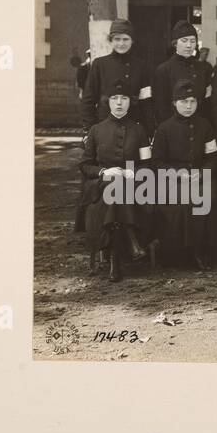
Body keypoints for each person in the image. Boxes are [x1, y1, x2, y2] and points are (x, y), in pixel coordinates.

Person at [77, 77, 154, 282]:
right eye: (115, 98)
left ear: (130, 102)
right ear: (108, 102)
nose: (119, 103)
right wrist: (104, 172)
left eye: (124, 98)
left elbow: (147, 164)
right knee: (114, 187)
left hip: (134, 186)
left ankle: (115, 261)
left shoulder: (139, 130)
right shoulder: (96, 130)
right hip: (101, 186)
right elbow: (85, 165)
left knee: (117, 193)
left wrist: (134, 172)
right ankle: (131, 240)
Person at [151, 78, 217, 271]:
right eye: (184, 102)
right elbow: (157, 162)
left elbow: (213, 157)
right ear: (174, 103)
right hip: (173, 178)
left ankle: (200, 251)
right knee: (179, 203)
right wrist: (177, 175)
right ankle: (176, 253)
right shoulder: (164, 128)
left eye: (193, 102)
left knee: (208, 198)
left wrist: (203, 173)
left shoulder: (205, 126)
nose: (188, 106)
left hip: (200, 176)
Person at [79, 18, 151, 133]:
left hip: (132, 126)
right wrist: (89, 129)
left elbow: (146, 101)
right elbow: (88, 100)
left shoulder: (141, 66)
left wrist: (148, 131)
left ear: (132, 41)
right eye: (117, 39)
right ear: (110, 41)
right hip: (104, 126)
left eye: (125, 39)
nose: (121, 43)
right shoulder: (100, 64)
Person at [151, 20, 213, 130]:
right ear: (175, 43)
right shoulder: (164, 70)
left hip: (199, 128)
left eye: (192, 41)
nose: (189, 45)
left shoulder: (204, 69)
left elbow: (207, 103)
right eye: (184, 41)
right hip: (173, 129)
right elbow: (161, 107)